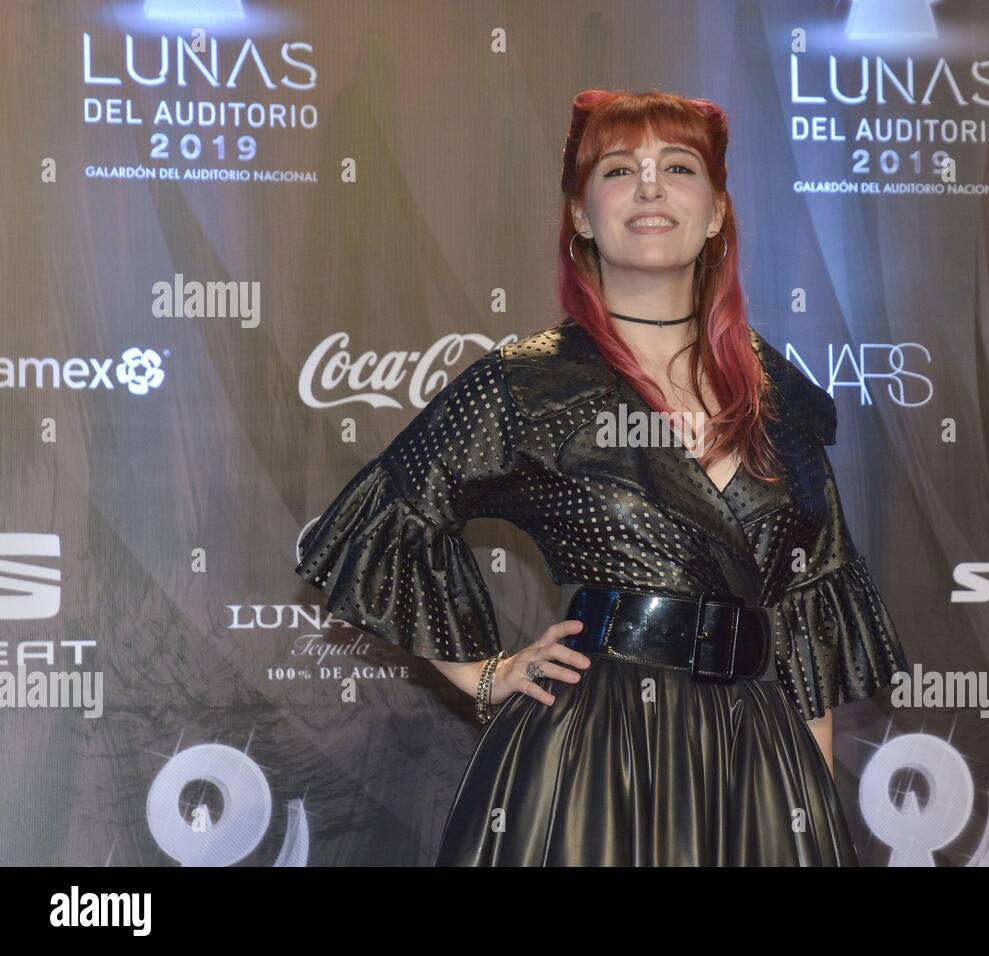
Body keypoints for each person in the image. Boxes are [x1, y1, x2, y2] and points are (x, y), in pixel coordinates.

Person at [294, 89, 909, 865]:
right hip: (594, 755)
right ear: (582, 216)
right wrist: (486, 674)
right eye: (621, 169)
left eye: (677, 166)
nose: (651, 186)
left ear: (716, 211)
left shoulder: (778, 395)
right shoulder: (530, 384)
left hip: (757, 760)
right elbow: (381, 519)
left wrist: (812, 816)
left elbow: (806, 616)